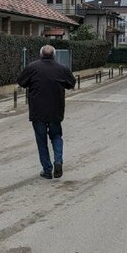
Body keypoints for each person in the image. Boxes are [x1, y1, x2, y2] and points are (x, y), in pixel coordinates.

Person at [17, 45, 75, 179]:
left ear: (41, 55)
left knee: (41, 141)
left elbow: (21, 81)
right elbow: (71, 84)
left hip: (38, 111)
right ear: (54, 55)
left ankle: (47, 170)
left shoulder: (32, 67)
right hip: (56, 111)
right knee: (56, 137)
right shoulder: (62, 69)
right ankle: (58, 161)